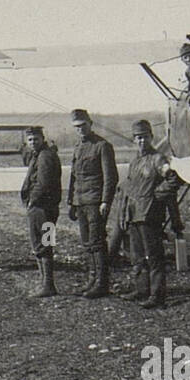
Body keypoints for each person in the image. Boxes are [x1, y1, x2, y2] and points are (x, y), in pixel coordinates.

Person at [122, 120, 184, 308]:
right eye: (138, 138)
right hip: (135, 215)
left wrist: (157, 194)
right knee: (138, 255)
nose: (141, 141)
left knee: (154, 256)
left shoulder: (159, 159)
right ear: (134, 140)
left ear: (151, 137)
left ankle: (157, 295)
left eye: (145, 137)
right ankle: (142, 289)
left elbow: (174, 180)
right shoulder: (135, 162)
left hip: (150, 215)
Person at [67, 109, 117, 298]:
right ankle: (92, 279)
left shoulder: (102, 146)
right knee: (87, 243)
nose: (80, 129)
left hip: (96, 201)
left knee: (97, 242)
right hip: (81, 202)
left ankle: (102, 283)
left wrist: (105, 201)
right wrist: (71, 202)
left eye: (83, 125)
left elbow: (110, 177)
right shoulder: (78, 147)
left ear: (90, 123)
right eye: (76, 127)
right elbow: (73, 177)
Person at [20, 126, 61, 297]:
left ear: (42, 138)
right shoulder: (41, 154)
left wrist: (31, 200)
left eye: (36, 139)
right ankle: (46, 283)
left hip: (42, 208)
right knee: (46, 243)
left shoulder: (45, 156)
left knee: (41, 244)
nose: (33, 142)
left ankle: (48, 285)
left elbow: (43, 183)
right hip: (47, 207)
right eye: (30, 140)